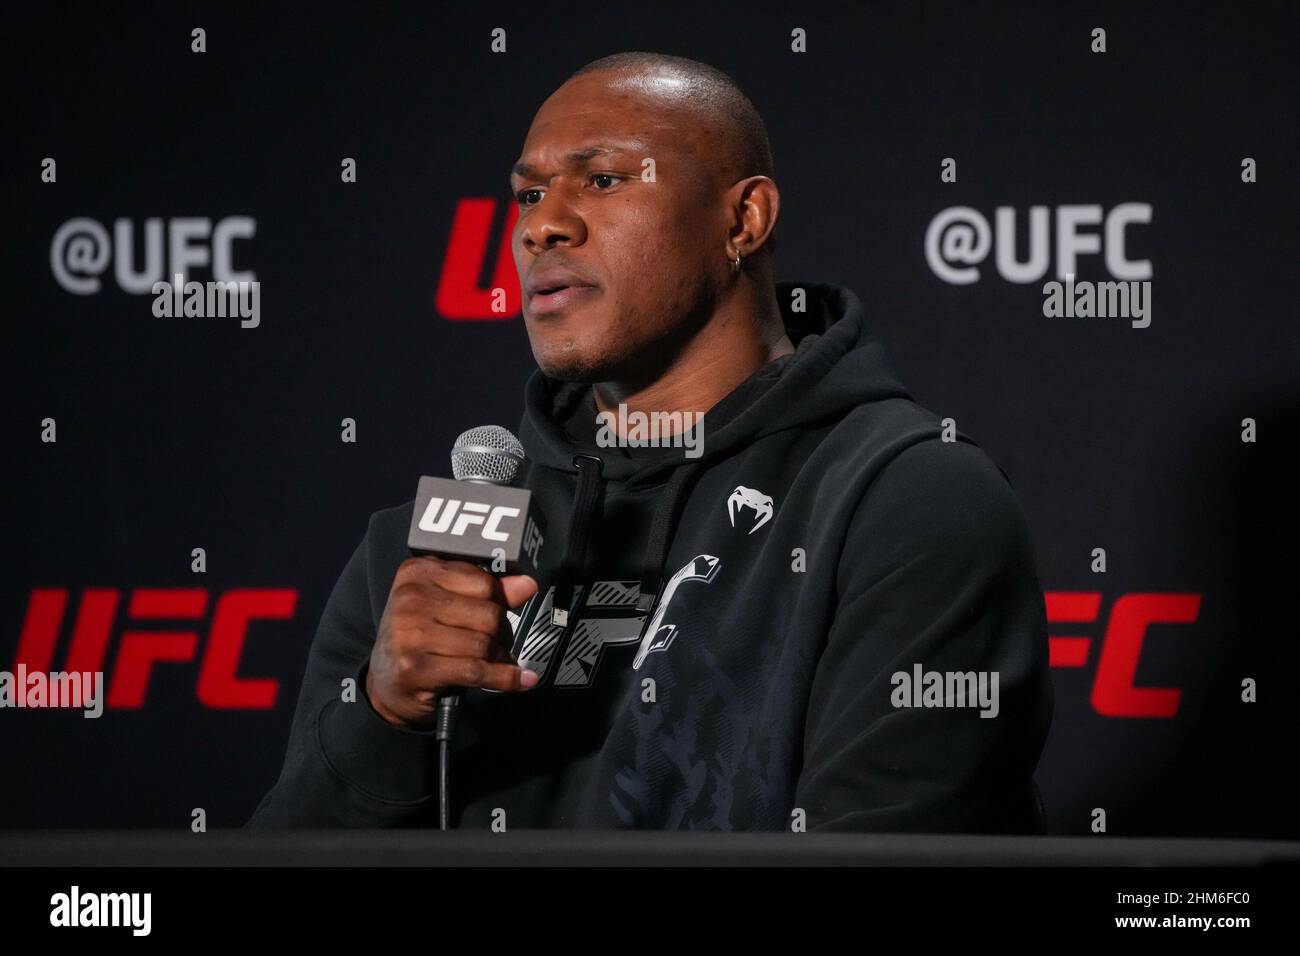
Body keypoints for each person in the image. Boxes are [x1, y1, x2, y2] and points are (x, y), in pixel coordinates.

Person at [248, 51, 1053, 831]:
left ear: (745, 218)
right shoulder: (423, 557)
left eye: (603, 180)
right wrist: (386, 717)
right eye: (528, 196)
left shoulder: (908, 501)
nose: (544, 227)